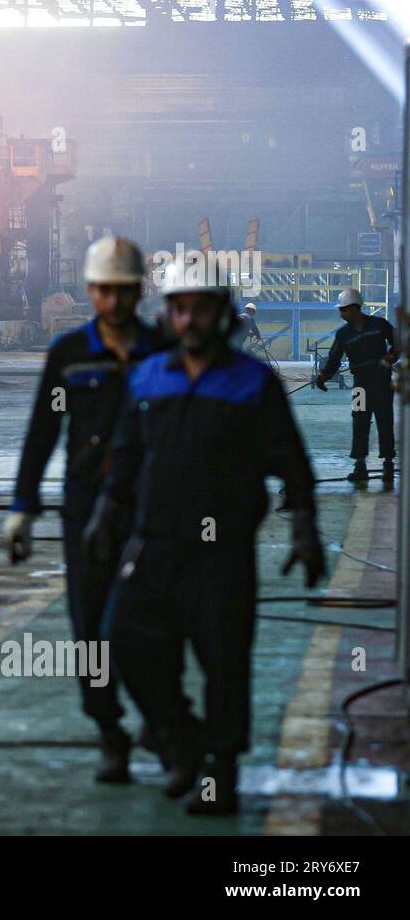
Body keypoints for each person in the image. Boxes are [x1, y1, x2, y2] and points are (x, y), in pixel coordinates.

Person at [85, 254, 324, 816]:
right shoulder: (147, 378)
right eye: (180, 309)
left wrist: (305, 528)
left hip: (222, 553)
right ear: (168, 315)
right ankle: (180, 736)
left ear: (222, 314)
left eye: (200, 308)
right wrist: (104, 512)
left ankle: (219, 772)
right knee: (123, 641)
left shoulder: (252, 383)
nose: (189, 320)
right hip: (154, 544)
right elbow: (125, 458)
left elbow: (291, 462)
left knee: (224, 662)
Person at [3, 236, 170, 783]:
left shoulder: (163, 352)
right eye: (105, 291)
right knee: (90, 631)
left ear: (138, 290)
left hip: (151, 511)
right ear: (91, 291)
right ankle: (110, 734)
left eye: (124, 291)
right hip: (85, 511)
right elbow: (42, 433)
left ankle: (160, 722)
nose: (115, 302)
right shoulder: (69, 354)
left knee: (153, 626)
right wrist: (23, 506)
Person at [316, 288, 397, 483]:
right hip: (360, 387)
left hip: (382, 385)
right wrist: (324, 376)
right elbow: (334, 358)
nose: (341, 314)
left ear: (354, 308)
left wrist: (389, 358)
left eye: (343, 309)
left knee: (385, 422)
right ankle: (360, 465)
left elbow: (400, 343)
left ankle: (388, 465)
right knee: (359, 422)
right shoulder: (343, 335)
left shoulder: (379, 325)